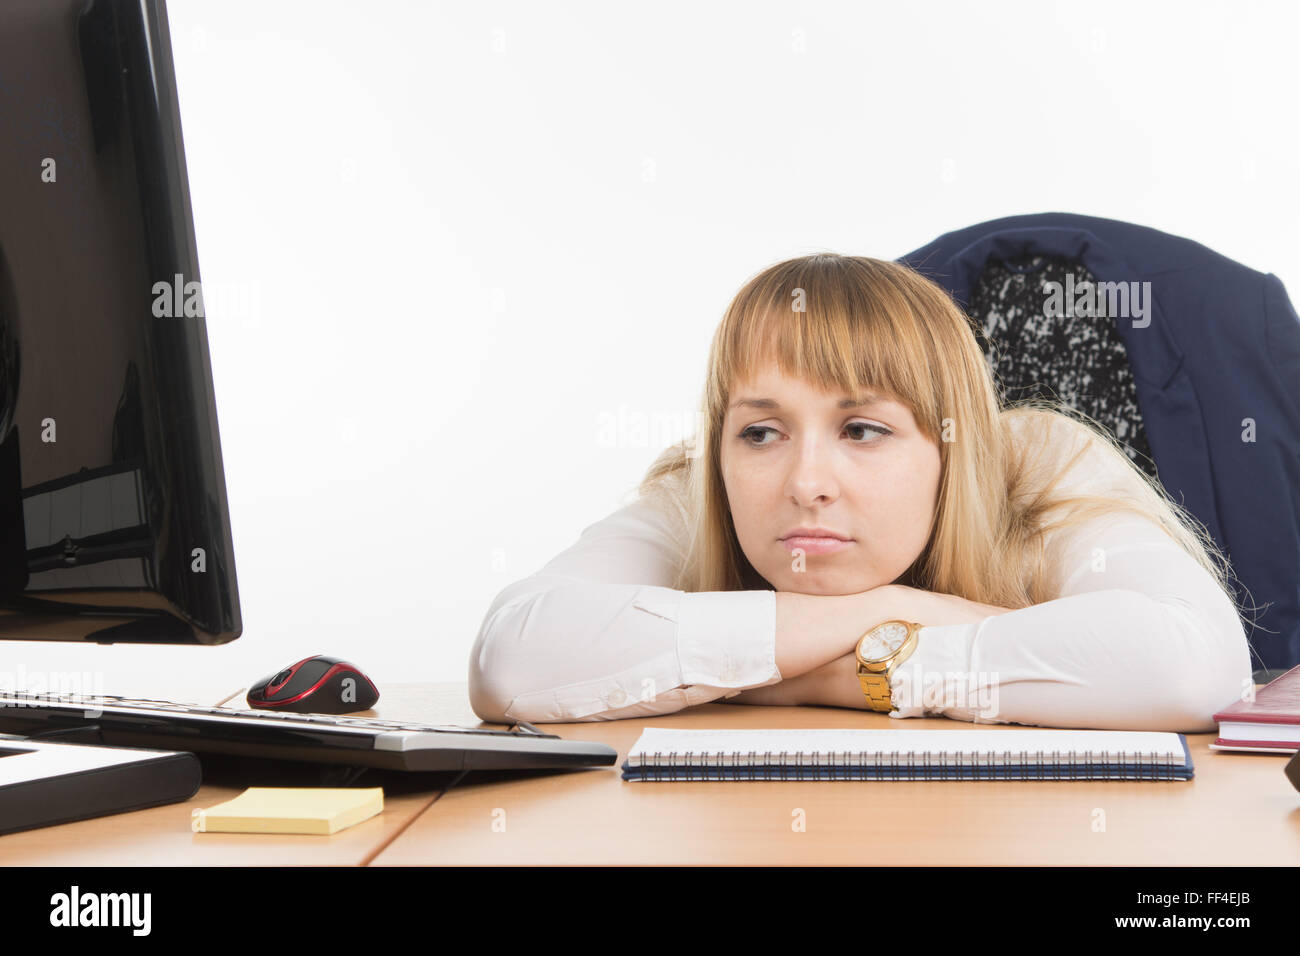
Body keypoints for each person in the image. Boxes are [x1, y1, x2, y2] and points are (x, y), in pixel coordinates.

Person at [468, 254, 1258, 732]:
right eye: (762, 432)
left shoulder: (1042, 468)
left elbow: (1198, 670)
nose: (806, 484)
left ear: (953, 449)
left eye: (862, 430)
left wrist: (795, 675)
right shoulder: (697, 486)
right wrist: (892, 619)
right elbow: (511, 659)